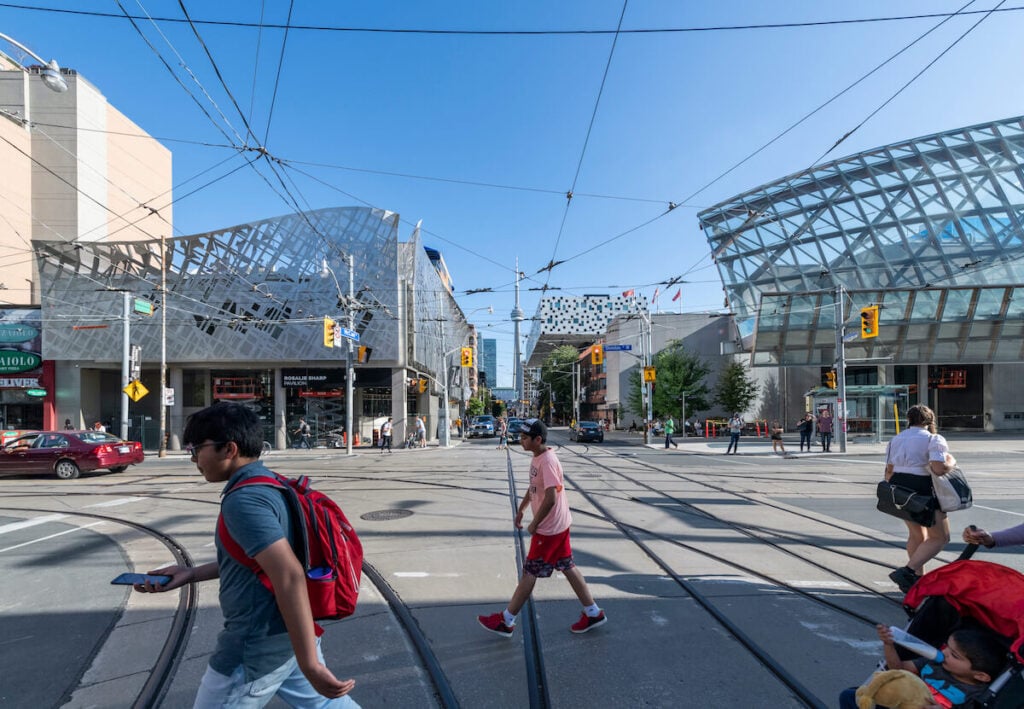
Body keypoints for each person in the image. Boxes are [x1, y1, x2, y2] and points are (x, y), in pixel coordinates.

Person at [131, 402, 359, 708]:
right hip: (289, 635)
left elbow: (288, 574)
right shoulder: (273, 484)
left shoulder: (245, 500)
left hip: (255, 647)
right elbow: (256, 563)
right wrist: (191, 573)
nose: (194, 458)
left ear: (229, 449)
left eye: (198, 448)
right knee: (326, 704)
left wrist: (311, 665)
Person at [477, 419, 607, 637]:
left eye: (525, 438)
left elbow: (551, 497)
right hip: (558, 524)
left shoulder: (547, 460)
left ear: (538, 439)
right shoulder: (537, 457)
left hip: (550, 527)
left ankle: (506, 621)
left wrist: (535, 523)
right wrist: (522, 508)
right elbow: (534, 487)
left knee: (530, 572)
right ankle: (593, 612)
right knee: (567, 566)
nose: (520, 441)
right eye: (520, 437)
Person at [838, 625, 1005, 709]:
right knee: (849, 696)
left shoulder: (976, 695)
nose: (945, 653)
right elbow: (897, 668)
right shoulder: (934, 664)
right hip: (898, 704)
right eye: (946, 646)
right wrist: (889, 645)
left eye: (954, 655)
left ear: (980, 676)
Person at [885, 404, 958, 593]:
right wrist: (951, 462)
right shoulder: (934, 439)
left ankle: (918, 579)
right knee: (941, 537)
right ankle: (907, 572)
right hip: (922, 487)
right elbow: (938, 468)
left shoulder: (896, 439)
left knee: (917, 535)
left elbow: (888, 472)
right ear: (929, 420)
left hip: (899, 488)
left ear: (908, 419)